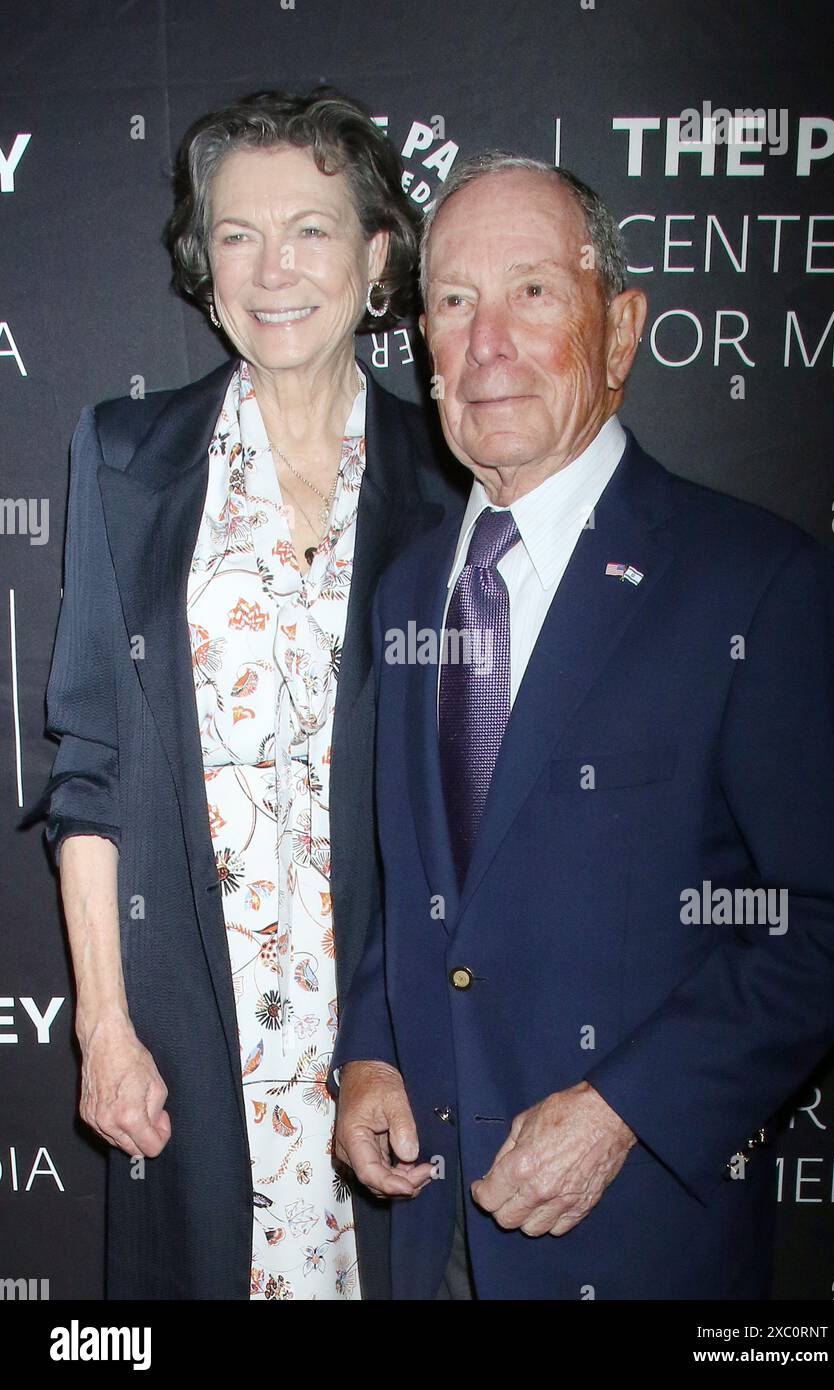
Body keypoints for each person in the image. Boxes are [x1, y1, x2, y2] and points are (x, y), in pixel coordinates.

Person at [330, 151, 834, 1299]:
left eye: (532, 291)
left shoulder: (752, 582)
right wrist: (372, 1050)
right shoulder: (402, 591)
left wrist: (624, 1106)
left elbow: (830, 919)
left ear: (619, 330)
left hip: (634, 1247)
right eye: (453, 301)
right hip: (430, 1236)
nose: (487, 344)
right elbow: (416, 889)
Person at [23, 86, 462, 1300]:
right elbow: (92, 761)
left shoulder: (451, 476)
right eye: (235, 233)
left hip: (389, 1030)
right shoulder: (125, 456)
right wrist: (105, 1027)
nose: (273, 269)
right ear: (201, 263)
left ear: (378, 257)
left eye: (311, 229)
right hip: (191, 1029)